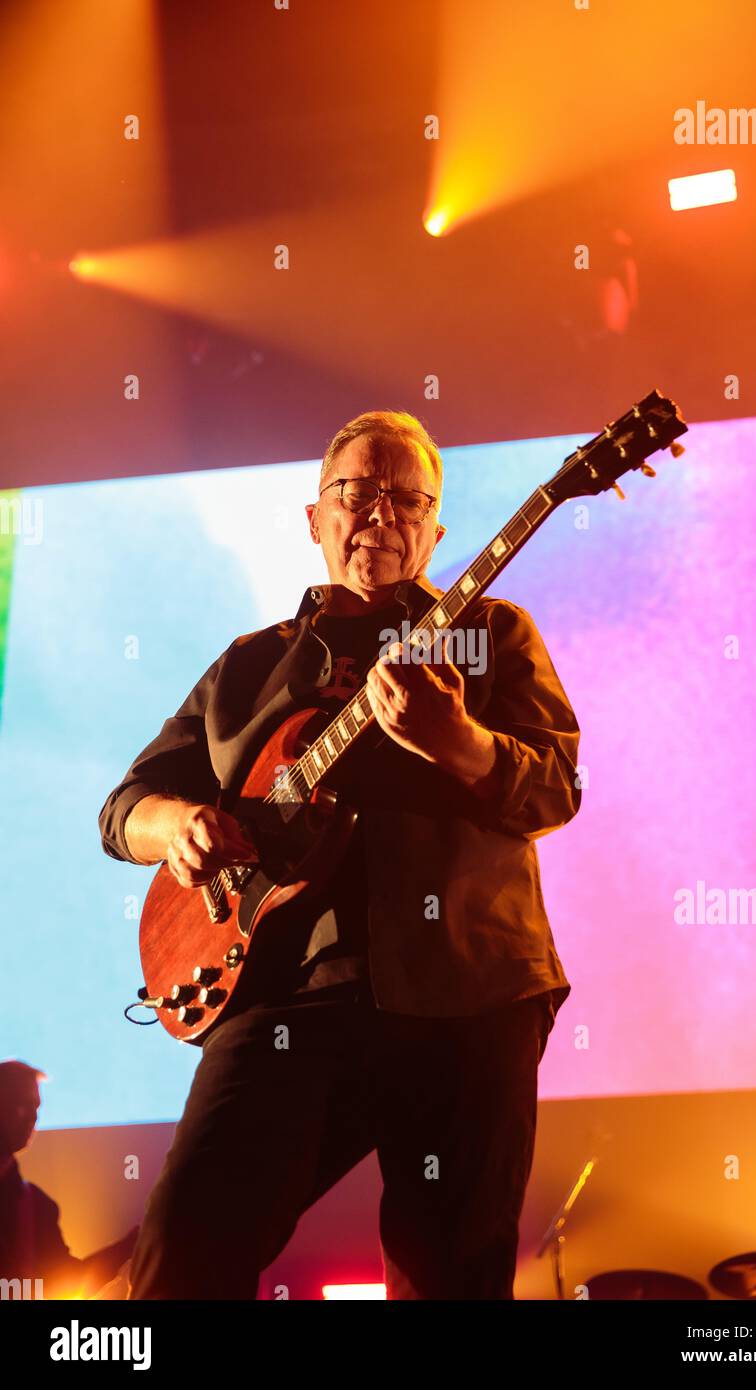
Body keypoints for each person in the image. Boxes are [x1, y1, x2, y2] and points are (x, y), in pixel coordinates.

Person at [98, 409, 581, 1300]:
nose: (382, 515)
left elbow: (555, 788)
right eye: (357, 494)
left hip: (466, 995)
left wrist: (462, 743)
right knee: (181, 1254)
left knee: (451, 1278)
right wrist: (179, 827)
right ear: (314, 519)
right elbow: (122, 809)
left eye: (409, 500)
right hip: (283, 993)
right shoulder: (246, 668)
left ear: (437, 531)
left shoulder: (493, 635)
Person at [0, 1059, 138, 1299]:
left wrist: (135, 1242)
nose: (34, 1117)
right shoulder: (35, 1205)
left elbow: (67, 1279)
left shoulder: (37, 1206)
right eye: (22, 1104)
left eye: (36, 1107)